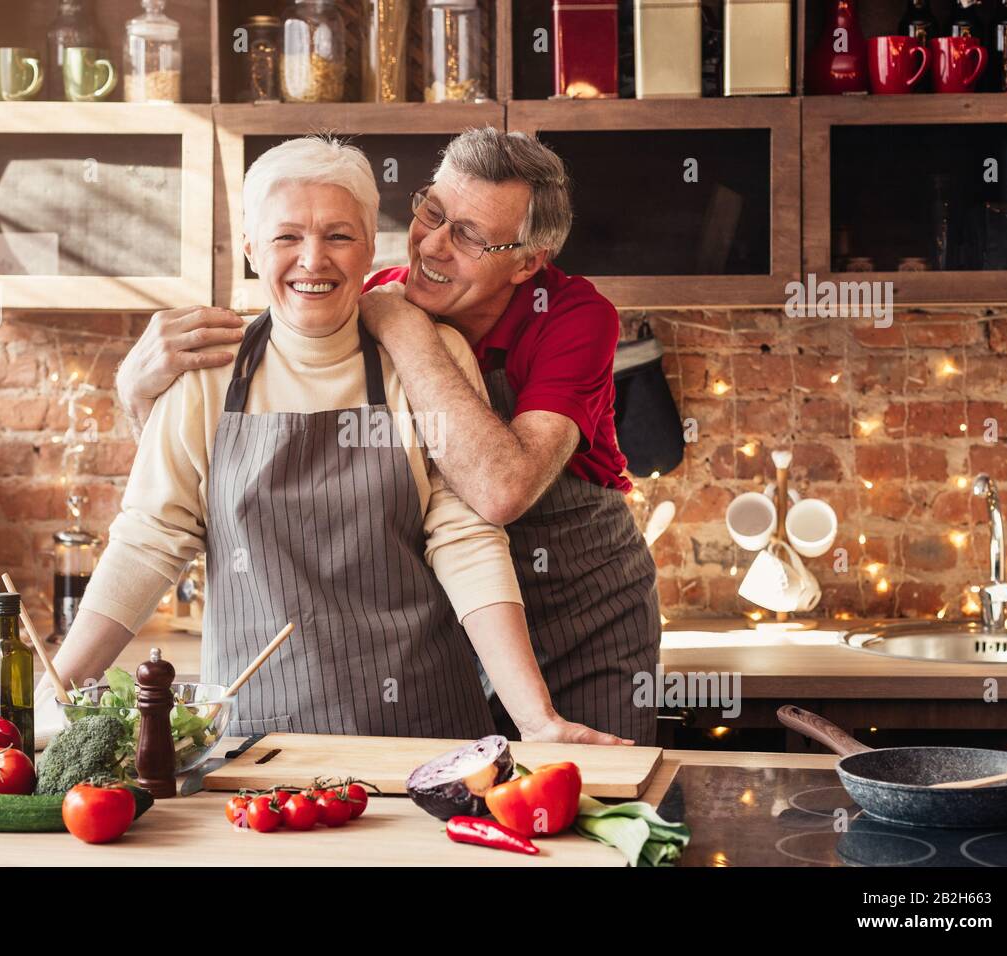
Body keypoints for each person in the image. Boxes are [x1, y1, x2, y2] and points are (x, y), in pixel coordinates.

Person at [38, 135, 617, 745]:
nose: (313, 260)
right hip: (251, 730)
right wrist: (58, 687)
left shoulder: (430, 357)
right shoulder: (206, 369)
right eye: (287, 236)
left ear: (370, 247)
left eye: (339, 236)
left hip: (420, 722)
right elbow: (151, 539)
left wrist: (536, 720)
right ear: (251, 249)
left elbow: (468, 536)